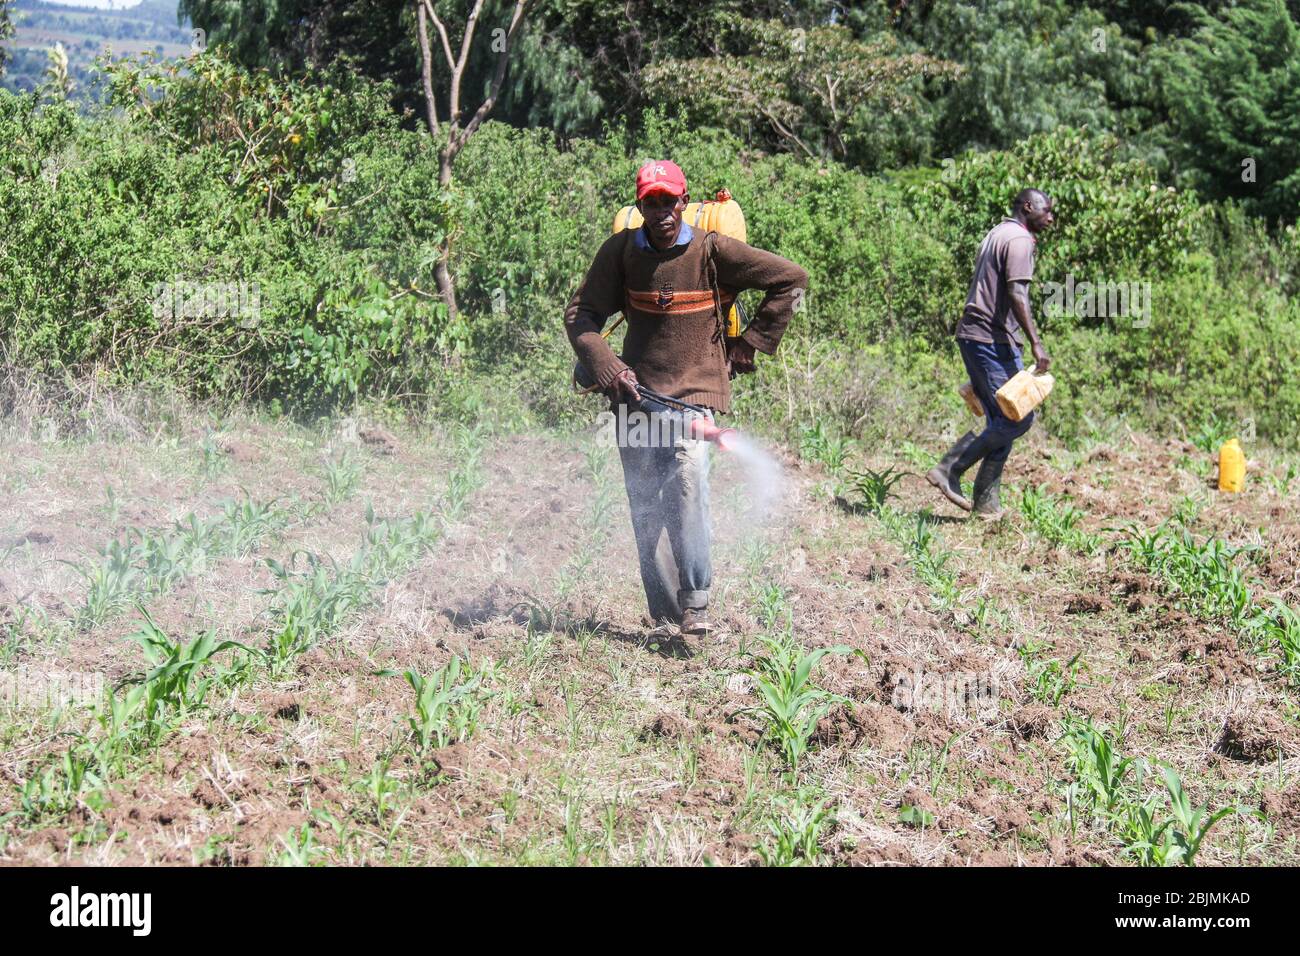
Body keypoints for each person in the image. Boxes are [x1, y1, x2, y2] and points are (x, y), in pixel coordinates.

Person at [565, 160, 808, 638]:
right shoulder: (620, 252)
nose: (660, 212)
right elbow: (581, 314)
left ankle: (695, 604)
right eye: (650, 203)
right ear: (640, 206)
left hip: (693, 399)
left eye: (668, 201)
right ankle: (663, 613)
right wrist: (605, 363)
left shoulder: (713, 251)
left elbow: (793, 281)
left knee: (687, 491)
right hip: (635, 400)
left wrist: (751, 343)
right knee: (644, 504)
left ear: (683, 200)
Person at [927, 188, 1055, 518]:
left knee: (1005, 418)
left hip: (978, 336)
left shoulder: (998, 232)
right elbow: (1016, 293)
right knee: (1019, 417)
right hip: (991, 339)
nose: (1051, 217)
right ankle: (951, 468)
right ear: (1029, 207)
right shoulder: (1020, 239)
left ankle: (986, 505)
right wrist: (1037, 343)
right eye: (1047, 210)